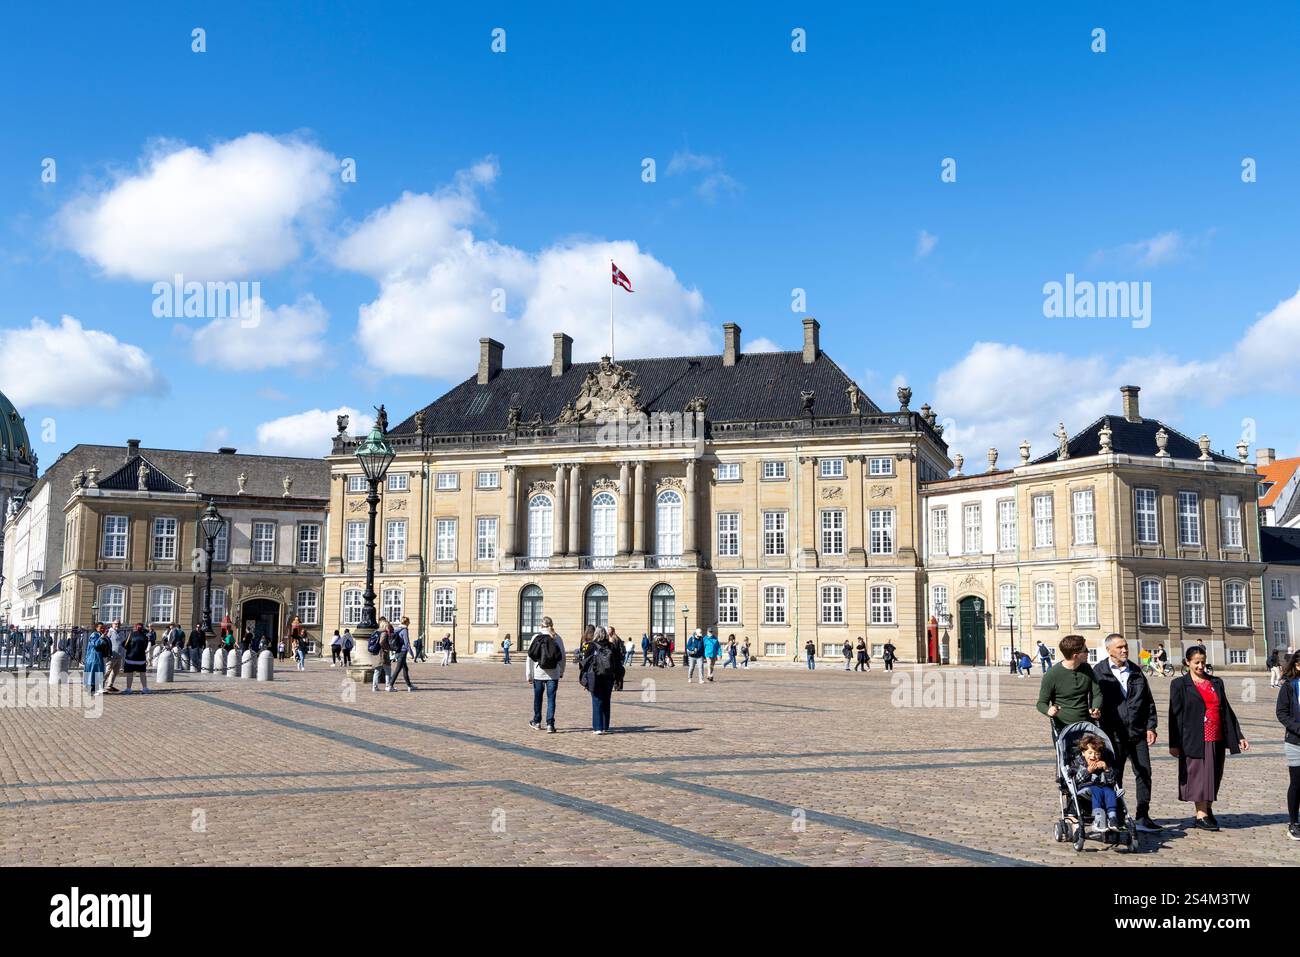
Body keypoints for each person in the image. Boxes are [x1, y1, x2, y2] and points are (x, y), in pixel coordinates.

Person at [1169, 645, 1248, 831]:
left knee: (1214, 774)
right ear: (1187, 662)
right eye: (1196, 662)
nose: (1200, 666)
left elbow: (1227, 710)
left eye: (1203, 662)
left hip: (1217, 736)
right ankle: (1201, 814)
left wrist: (1238, 736)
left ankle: (1208, 809)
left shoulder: (1216, 682)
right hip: (1194, 737)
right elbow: (1174, 716)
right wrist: (1174, 743)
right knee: (1199, 777)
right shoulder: (1179, 685)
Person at [1094, 633, 1162, 832]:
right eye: (1119, 647)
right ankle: (1118, 815)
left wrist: (1151, 726)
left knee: (1144, 772)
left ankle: (1143, 815)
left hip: (1137, 731)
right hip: (1113, 734)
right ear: (1109, 650)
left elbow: (1147, 700)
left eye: (1125, 647)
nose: (1124, 650)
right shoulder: (1099, 672)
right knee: (1115, 775)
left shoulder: (1135, 670)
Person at [1036, 634, 1102, 730]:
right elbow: (1041, 703)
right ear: (1075, 655)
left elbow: (1097, 694)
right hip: (1063, 727)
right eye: (1085, 650)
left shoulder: (1087, 669)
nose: (1088, 652)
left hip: (1086, 724)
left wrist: (1096, 707)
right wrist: (1048, 710)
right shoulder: (1052, 674)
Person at [1071, 733, 1121, 833]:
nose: (1093, 756)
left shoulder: (1103, 763)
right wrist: (1087, 771)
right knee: (1096, 789)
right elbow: (1076, 780)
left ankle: (1112, 818)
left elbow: (1112, 781)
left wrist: (1106, 769)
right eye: (1090, 753)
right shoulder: (1078, 763)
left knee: (1110, 791)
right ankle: (1098, 819)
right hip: (1085, 788)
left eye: (1097, 753)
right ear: (1083, 753)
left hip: (1103, 787)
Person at [1274, 650, 1300, 840]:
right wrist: (1298, 728)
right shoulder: (1290, 686)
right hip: (1296, 741)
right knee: (1297, 783)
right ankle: (1294, 822)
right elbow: (1282, 712)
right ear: (1297, 665)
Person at [580, 626, 625, 735]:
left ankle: (597, 727)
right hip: (609, 677)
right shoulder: (611, 646)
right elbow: (618, 663)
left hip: (595, 676)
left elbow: (585, 664)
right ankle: (605, 726)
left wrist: (584, 678)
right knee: (606, 701)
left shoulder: (591, 646)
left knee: (597, 701)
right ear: (605, 634)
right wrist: (618, 677)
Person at [526, 617, 565, 733]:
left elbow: (529, 658)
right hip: (553, 673)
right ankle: (550, 724)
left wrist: (529, 674)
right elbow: (562, 657)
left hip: (538, 673)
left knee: (538, 698)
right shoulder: (557, 637)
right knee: (551, 699)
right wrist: (561, 671)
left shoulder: (535, 637)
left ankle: (537, 721)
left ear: (541, 625)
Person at [120, 623, 151, 694]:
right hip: (141, 658)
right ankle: (145, 688)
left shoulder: (131, 635)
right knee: (142, 673)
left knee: (130, 674)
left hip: (130, 658)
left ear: (135, 628)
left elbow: (125, 645)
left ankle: (128, 688)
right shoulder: (145, 636)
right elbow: (145, 647)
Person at [386, 617, 415, 692]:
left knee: (405, 668)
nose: (410, 623)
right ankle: (390, 685)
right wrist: (411, 653)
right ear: (406, 622)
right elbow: (407, 643)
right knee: (398, 669)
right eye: (409, 621)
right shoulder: (404, 630)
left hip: (398, 650)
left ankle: (409, 685)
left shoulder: (397, 629)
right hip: (402, 651)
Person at [83, 624, 110, 695]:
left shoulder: (101, 635)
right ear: (96, 628)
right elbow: (95, 644)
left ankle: (98, 689)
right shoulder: (94, 635)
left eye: (103, 628)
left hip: (100, 656)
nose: (102, 629)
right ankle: (92, 690)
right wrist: (102, 637)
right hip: (93, 657)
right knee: (93, 672)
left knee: (99, 672)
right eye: (101, 628)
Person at [103, 620, 125, 693]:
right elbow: (105, 641)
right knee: (107, 671)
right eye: (115, 624)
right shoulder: (110, 632)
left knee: (115, 672)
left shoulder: (121, 633)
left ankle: (109, 685)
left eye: (118, 624)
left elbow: (123, 643)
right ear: (112, 624)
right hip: (112, 655)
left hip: (119, 655)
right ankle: (100, 685)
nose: (117, 625)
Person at [371, 619, 392, 692]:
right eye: (387, 626)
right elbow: (381, 642)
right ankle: (388, 686)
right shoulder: (384, 633)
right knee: (388, 670)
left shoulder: (375, 632)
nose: (388, 627)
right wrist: (387, 648)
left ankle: (374, 687)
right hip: (382, 654)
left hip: (376, 654)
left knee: (377, 671)